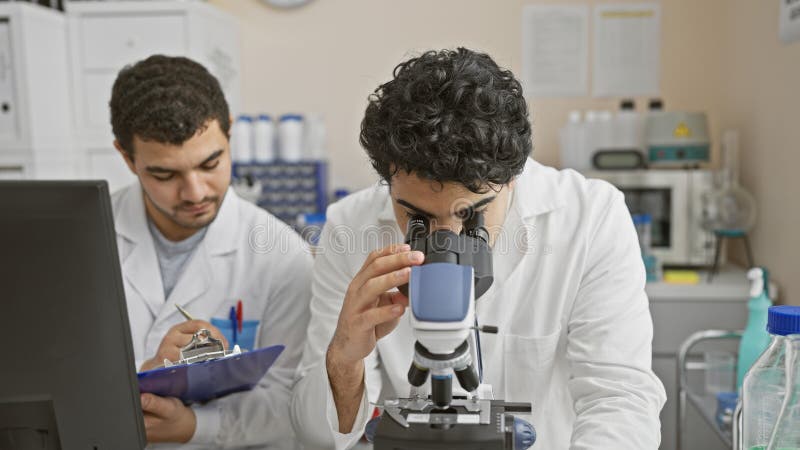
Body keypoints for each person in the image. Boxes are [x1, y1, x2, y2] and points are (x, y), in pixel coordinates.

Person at [291, 48, 667, 449]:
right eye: (415, 217)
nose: (444, 238)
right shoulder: (349, 226)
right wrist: (344, 360)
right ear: (388, 181)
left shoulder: (590, 218)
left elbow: (620, 399)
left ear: (512, 178)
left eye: (470, 217)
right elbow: (318, 436)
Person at [109, 55, 311, 448]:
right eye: (165, 174)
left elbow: (292, 404)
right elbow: (50, 373)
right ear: (126, 157)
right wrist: (147, 372)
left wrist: (194, 426)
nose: (196, 192)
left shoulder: (283, 255)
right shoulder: (89, 237)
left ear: (229, 132)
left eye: (211, 163)